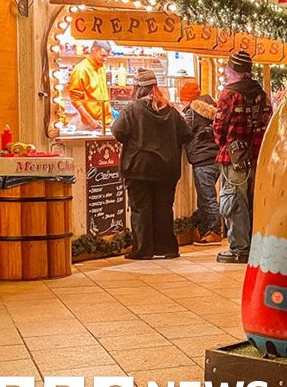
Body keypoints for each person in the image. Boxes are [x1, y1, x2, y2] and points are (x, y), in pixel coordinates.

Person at [111, 69, 193, 260]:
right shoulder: (170, 110)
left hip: (139, 167)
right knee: (164, 208)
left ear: (138, 88)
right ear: (155, 87)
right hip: (167, 168)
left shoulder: (132, 109)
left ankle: (143, 249)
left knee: (140, 208)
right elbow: (187, 134)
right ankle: (168, 248)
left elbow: (118, 131)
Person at [213, 50, 272, 264]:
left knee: (234, 201)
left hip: (234, 159)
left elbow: (219, 129)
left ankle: (239, 248)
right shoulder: (261, 94)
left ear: (232, 70)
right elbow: (268, 123)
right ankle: (254, 246)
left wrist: (224, 144)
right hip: (257, 156)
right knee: (253, 201)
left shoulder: (228, 94)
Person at [181, 82, 222, 246]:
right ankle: (206, 231)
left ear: (187, 99)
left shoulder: (192, 113)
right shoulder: (212, 110)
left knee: (207, 198)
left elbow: (184, 133)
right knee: (208, 197)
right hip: (215, 158)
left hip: (202, 159)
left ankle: (214, 232)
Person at [67, 40, 114, 131]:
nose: (105, 59)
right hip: (91, 123)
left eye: (107, 56)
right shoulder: (81, 70)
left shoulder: (102, 67)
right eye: (103, 55)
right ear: (93, 51)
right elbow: (75, 99)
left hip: (106, 120)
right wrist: (90, 120)